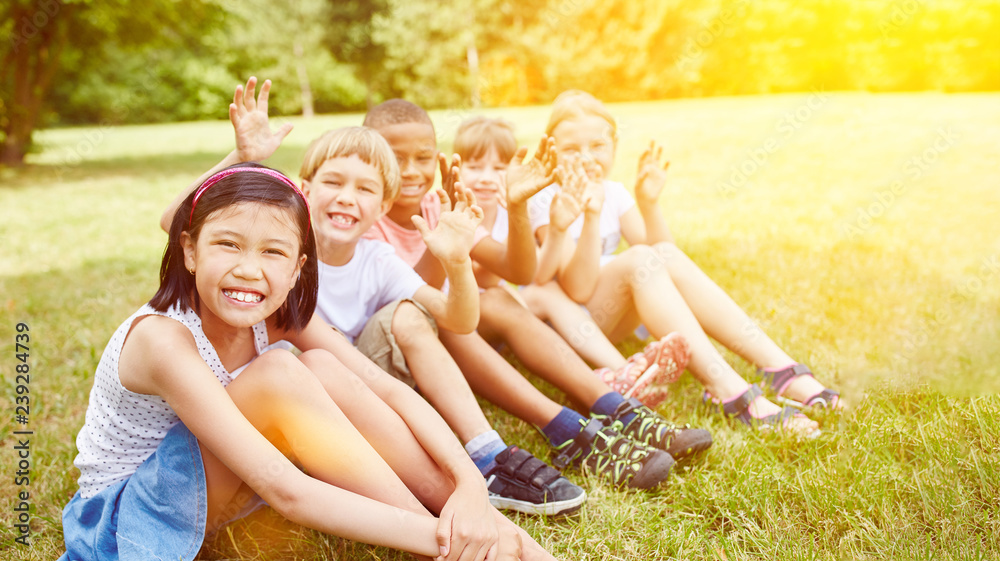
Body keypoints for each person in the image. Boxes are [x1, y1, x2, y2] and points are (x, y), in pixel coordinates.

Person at [62, 161, 549, 561]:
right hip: (130, 518)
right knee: (279, 374)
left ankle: (505, 542)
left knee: (322, 367)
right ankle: (452, 547)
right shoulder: (161, 340)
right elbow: (287, 490)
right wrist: (442, 539)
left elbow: (392, 392)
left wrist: (470, 488)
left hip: (223, 482)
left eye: (273, 252)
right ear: (189, 250)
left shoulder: (278, 314)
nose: (248, 269)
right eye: (227, 244)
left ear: (298, 268)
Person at [159, 78, 586, 516]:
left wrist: (456, 263)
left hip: (355, 385)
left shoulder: (376, 258)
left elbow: (457, 322)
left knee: (406, 317)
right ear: (304, 190)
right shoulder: (276, 246)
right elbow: (174, 222)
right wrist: (242, 158)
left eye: (365, 190)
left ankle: (485, 455)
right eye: (334, 183)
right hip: (293, 400)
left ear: (382, 207)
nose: (347, 198)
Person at [362, 99, 708, 483]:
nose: (410, 171)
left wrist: (517, 206)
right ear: (369, 156)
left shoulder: (438, 202)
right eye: (396, 158)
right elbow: (407, 298)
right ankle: (569, 431)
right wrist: (441, 243)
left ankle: (616, 407)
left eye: (422, 157)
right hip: (396, 349)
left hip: (454, 333)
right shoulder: (362, 208)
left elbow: (519, 270)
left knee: (496, 297)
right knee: (438, 312)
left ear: (438, 157)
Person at [526, 90, 842, 435]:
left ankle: (780, 367)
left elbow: (666, 258)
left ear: (614, 147)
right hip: (581, 325)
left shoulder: (614, 191)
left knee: (657, 255)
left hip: (613, 311)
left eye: (597, 146)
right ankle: (729, 389)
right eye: (571, 149)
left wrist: (648, 204)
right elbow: (578, 288)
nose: (586, 158)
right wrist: (590, 215)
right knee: (640, 260)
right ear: (553, 153)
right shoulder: (546, 199)